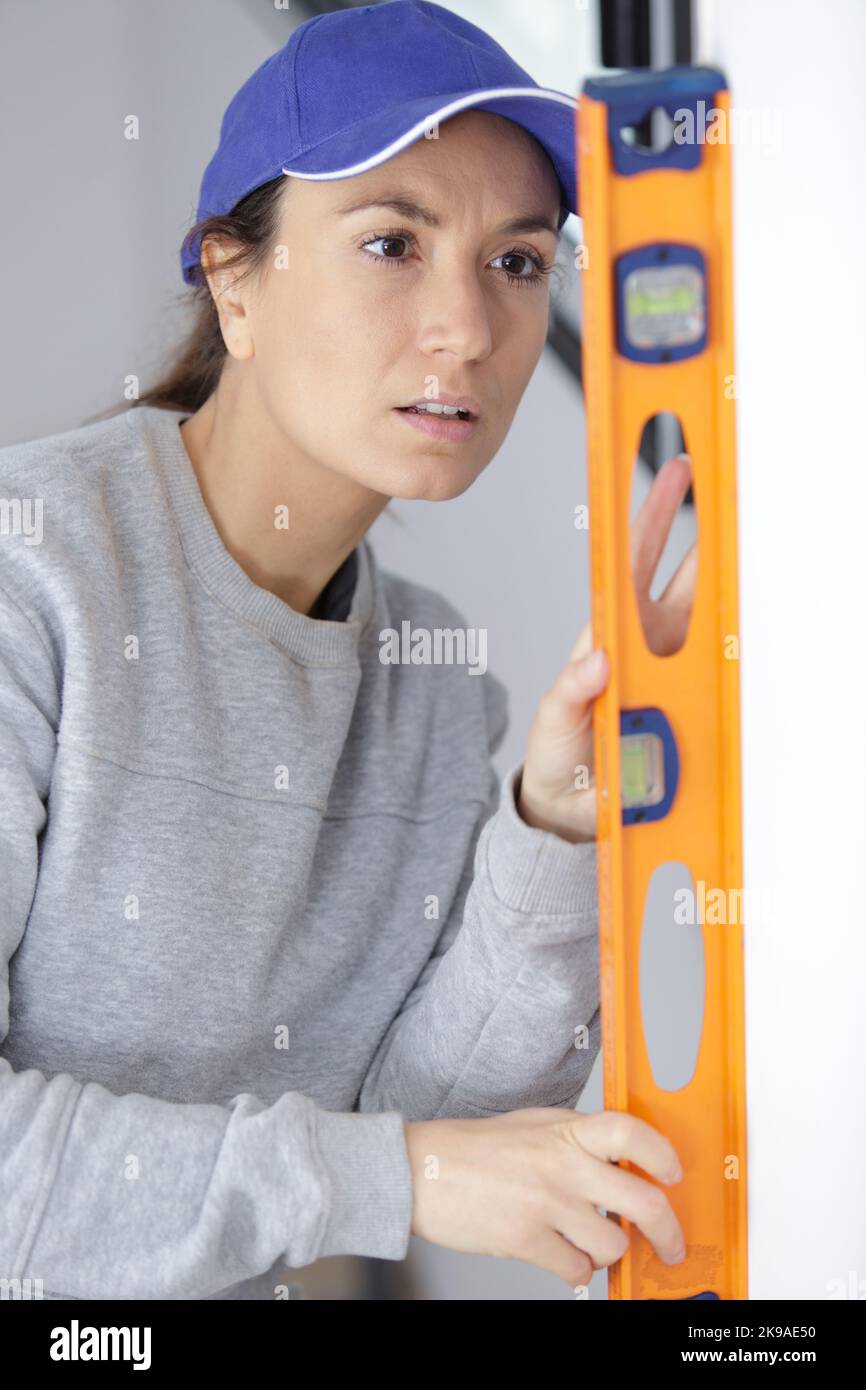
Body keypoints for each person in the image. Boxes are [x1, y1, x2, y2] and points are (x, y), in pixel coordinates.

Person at [0, 0, 696, 1300]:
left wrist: (550, 823)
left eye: (517, 260)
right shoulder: (30, 577)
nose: (468, 329)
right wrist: (408, 1175)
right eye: (392, 242)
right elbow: (401, 1167)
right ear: (232, 279)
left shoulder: (434, 686)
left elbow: (427, 1115)